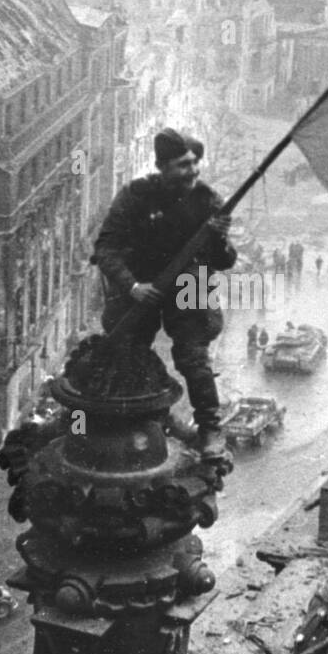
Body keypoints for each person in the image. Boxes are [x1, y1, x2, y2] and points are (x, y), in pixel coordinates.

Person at [92, 127, 237, 458]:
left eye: (195, 163)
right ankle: (158, 417)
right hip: (141, 283)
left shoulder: (207, 200)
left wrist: (219, 237)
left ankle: (210, 427)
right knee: (129, 351)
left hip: (189, 283)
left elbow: (224, 261)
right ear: (163, 167)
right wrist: (131, 286)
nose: (193, 171)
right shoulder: (135, 196)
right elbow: (106, 248)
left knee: (193, 357)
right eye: (183, 165)